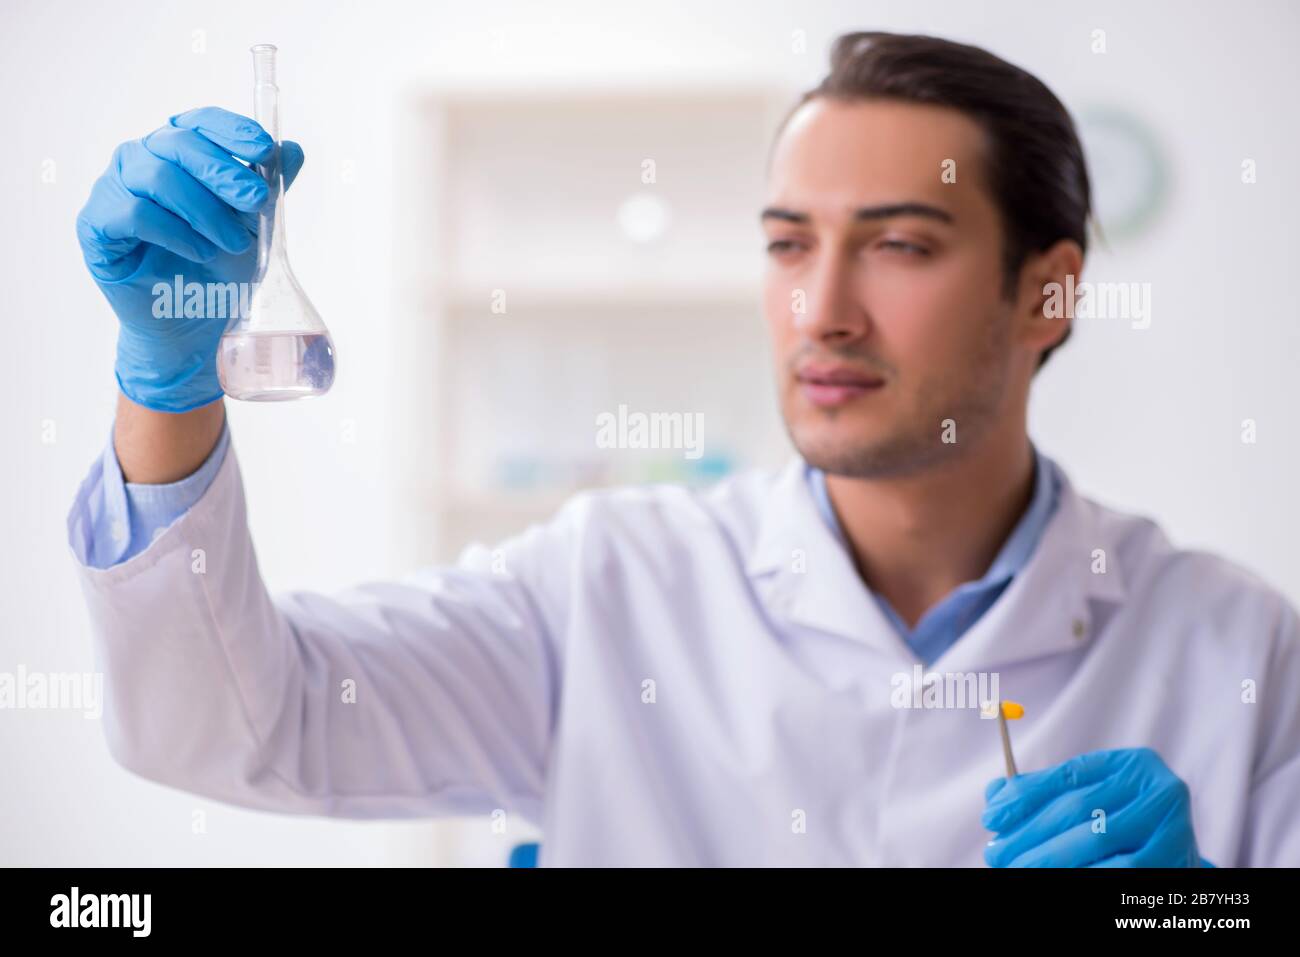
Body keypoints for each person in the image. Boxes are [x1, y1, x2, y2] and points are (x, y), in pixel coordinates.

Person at [67, 31, 1299, 866]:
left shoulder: (1236, 646)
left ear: (1047, 294)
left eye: (901, 244)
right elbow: (235, 727)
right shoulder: (604, 585)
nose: (821, 309)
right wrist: (169, 384)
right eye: (785, 243)